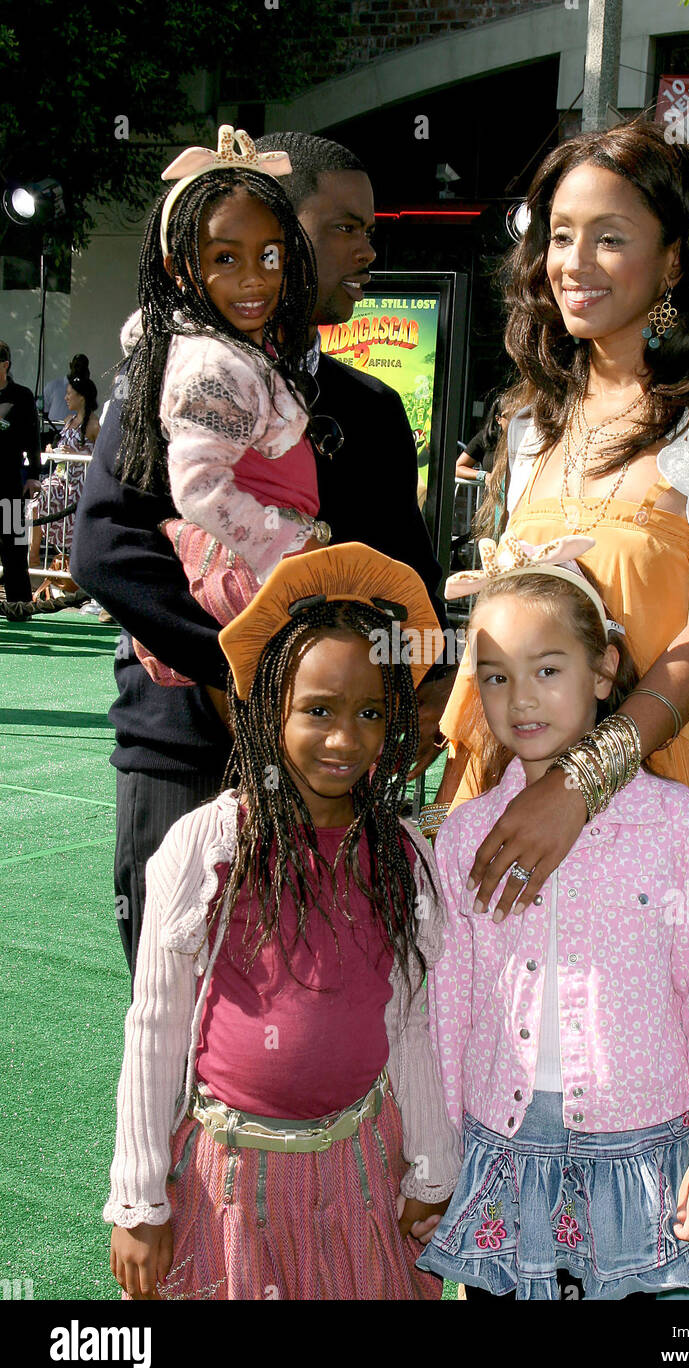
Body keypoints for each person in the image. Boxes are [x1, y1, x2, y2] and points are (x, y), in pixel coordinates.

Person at [426, 120, 689, 1300]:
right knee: (526, 1134)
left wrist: (582, 783)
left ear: (673, 257)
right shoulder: (528, 422)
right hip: (526, 847)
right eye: (560, 236)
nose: (577, 262)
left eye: (612, 236)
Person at [71, 131, 450, 976]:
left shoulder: (374, 409)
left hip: (332, 771)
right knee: (176, 1014)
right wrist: (249, 679)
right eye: (345, 225)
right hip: (184, 757)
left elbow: (409, 582)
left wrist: (418, 683)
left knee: (316, 1015)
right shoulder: (170, 378)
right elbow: (105, 550)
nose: (368, 248)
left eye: (370, 228)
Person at [105, 543, 461, 1300]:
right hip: (228, 1185)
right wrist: (139, 1200)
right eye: (319, 711)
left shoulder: (404, 859)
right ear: (267, 709)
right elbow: (157, 1022)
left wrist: (432, 1163)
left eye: (370, 712)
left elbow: (413, 1020)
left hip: (361, 1178)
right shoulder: (206, 850)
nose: (346, 738)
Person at [417, 536, 689, 1299]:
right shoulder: (464, 834)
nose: (521, 698)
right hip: (498, 1148)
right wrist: (435, 1154)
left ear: (603, 674)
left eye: (547, 670)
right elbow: (447, 1005)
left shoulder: (678, 827)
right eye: (496, 677)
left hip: (636, 1155)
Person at [116, 124, 326, 687]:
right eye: (226, 258)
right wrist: (290, 542)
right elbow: (199, 488)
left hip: (252, 571)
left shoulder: (233, 352)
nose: (255, 278)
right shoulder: (213, 366)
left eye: (270, 254)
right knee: (285, 714)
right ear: (181, 267)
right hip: (246, 577)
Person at [31, 371, 100, 567]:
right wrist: (53, 449)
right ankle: (33, 556)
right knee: (35, 503)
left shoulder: (94, 424)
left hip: (79, 483)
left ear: (82, 397)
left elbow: (102, 456)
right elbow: (61, 444)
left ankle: (71, 562)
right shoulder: (69, 420)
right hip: (61, 477)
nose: (66, 397)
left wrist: (78, 456)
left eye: (70, 393)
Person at [0, 341, 41, 617]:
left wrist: (34, 476)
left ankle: (20, 604)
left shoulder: (23, 396)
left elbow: (33, 440)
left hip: (9, 481)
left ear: (5, 365)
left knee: (13, 544)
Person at [455, 396, 504, 483]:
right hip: (494, 494)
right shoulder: (487, 437)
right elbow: (458, 468)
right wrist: (484, 475)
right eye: (511, 415)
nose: (516, 420)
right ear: (498, 419)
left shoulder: (527, 438)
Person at [42, 353, 91, 424]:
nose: (79, 369)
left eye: (83, 367)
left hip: (76, 432)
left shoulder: (88, 389)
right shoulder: (53, 385)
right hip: (53, 431)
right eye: (76, 366)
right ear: (71, 366)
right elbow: (42, 411)